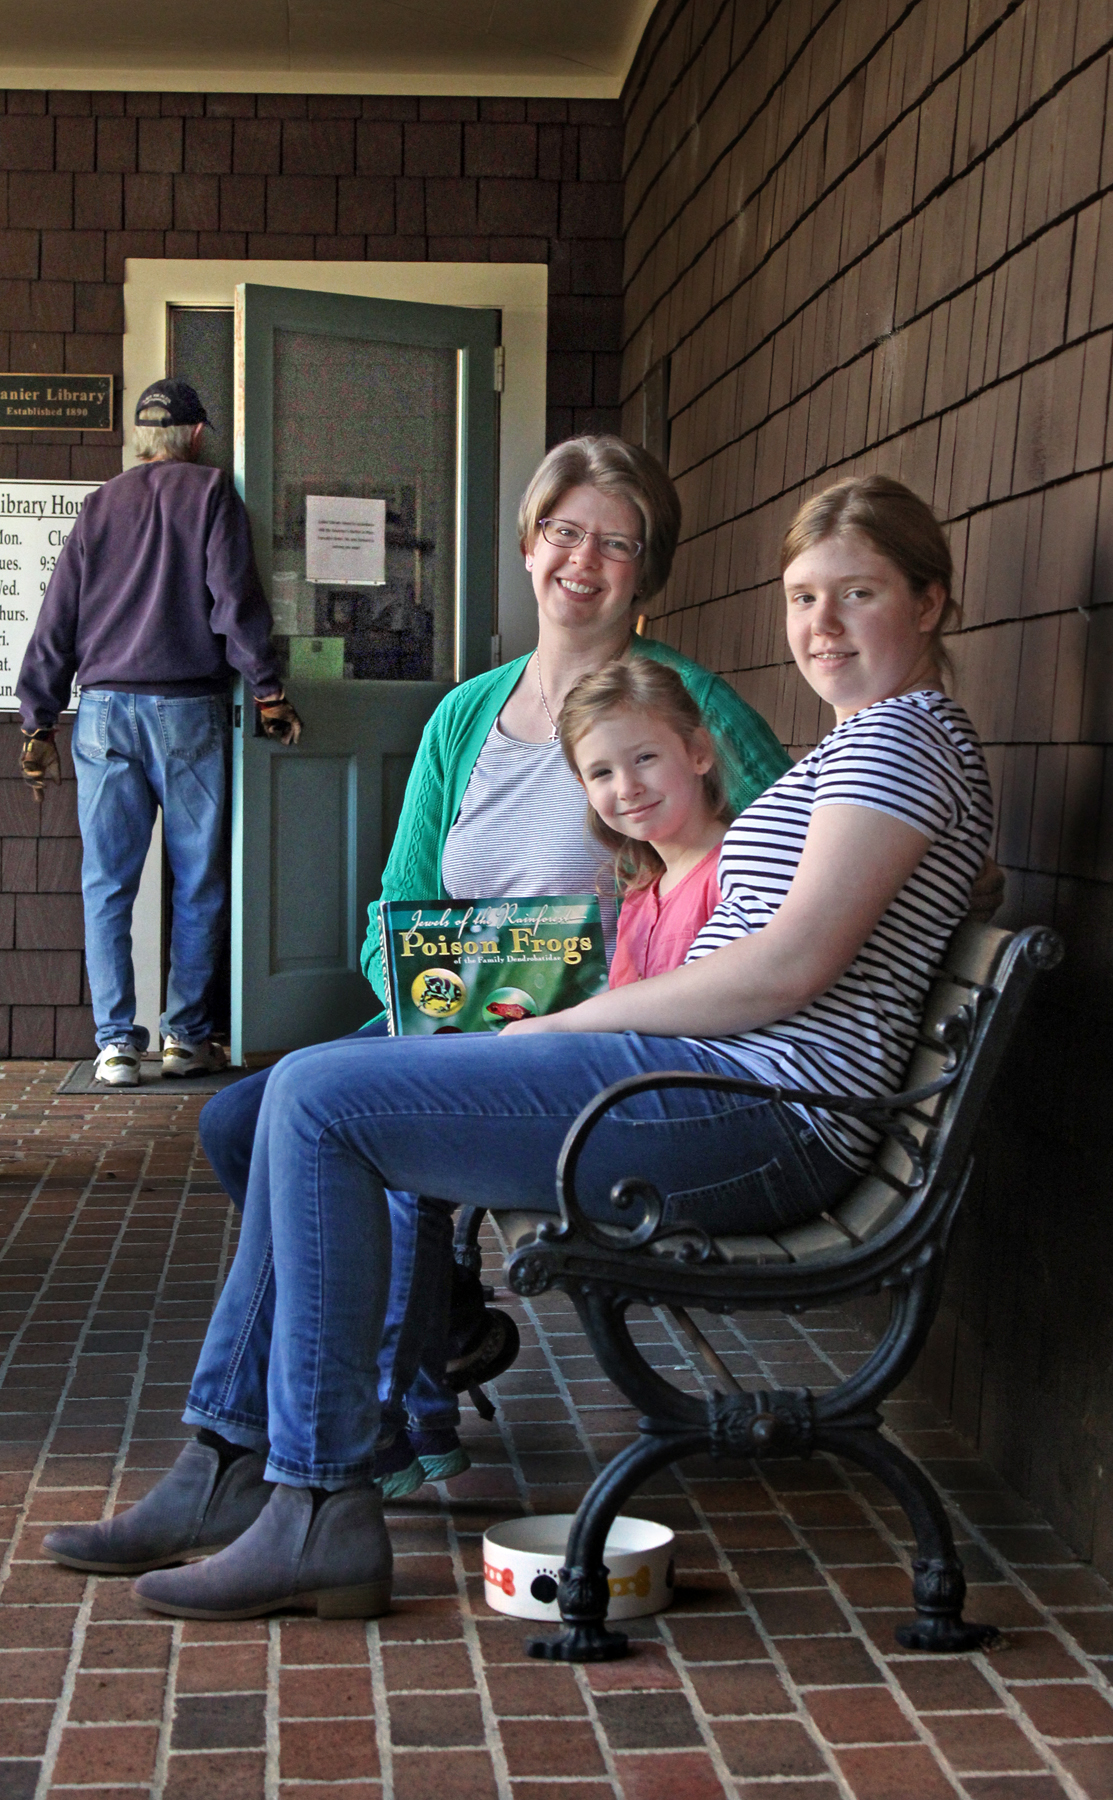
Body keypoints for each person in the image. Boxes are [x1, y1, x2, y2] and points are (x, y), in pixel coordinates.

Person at [42, 472, 994, 1626]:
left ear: (931, 603)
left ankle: (306, 1497)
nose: (821, 627)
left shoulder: (895, 745)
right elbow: (870, 899)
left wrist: (562, 1021)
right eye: (802, 598)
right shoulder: (873, 748)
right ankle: (245, 1470)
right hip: (712, 1089)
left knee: (318, 1102)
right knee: (302, 1093)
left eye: (858, 595)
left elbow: (785, 969)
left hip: (752, 1111)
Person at [195, 434, 792, 1499]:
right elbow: (396, 906)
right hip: (454, 1006)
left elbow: (789, 847)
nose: (583, 559)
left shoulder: (683, 706)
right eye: (564, 530)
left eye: (616, 542)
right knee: (237, 1120)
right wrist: (431, 998)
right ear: (528, 543)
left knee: (354, 1119)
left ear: (646, 570)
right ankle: (446, 1328)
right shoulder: (465, 716)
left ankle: (381, 1419)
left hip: (593, 1033)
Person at [16, 379, 303, 1088]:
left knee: (107, 884)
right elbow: (234, 602)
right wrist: (267, 689)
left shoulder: (98, 507)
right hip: (187, 711)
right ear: (198, 436)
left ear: (141, 439)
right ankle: (185, 1036)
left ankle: (114, 1045)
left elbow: (57, 620)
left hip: (105, 712)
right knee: (197, 879)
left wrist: (37, 718)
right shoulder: (210, 496)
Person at [556, 660, 730, 987]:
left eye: (644, 758)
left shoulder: (739, 872)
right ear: (585, 788)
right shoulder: (637, 902)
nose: (627, 788)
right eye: (602, 773)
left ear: (698, 752)